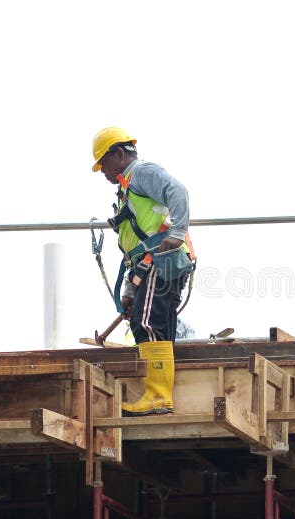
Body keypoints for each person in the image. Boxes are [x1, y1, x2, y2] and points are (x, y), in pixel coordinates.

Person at [91, 127, 194, 416]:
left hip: (163, 259)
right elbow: (133, 248)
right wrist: (129, 289)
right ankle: (159, 396)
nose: (103, 172)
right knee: (155, 321)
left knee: (147, 322)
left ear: (119, 154)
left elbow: (178, 191)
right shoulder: (127, 188)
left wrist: (178, 231)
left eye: (104, 164)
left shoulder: (141, 173)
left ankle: (158, 397)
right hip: (152, 264)